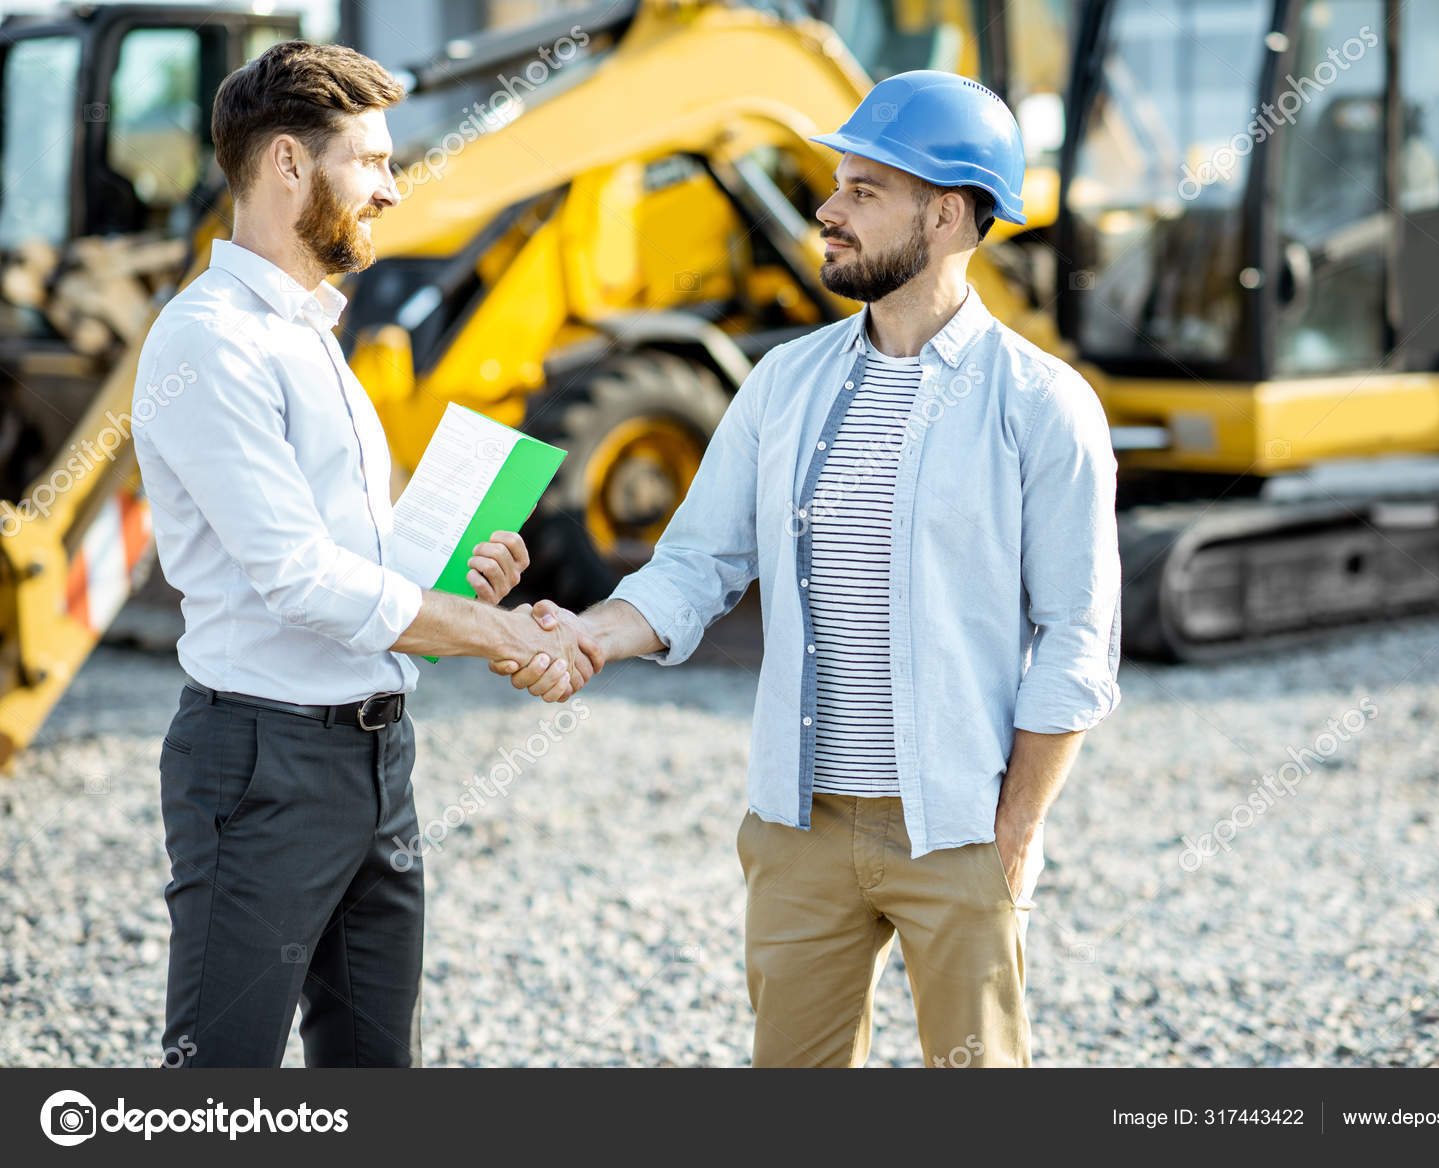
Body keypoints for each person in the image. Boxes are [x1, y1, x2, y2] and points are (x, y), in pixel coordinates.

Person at [503, 71, 1121, 1067]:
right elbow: (696, 564)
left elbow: (1076, 639)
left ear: (951, 214)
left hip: (958, 828)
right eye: (837, 185)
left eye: (864, 191)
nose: (827, 212)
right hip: (797, 826)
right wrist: (588, 633)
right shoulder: (783, 383)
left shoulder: (1041, 405)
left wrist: (1014, 832)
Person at [131, 41, 595, 1068]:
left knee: (376, 1071)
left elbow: (356, 550)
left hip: (377, 758)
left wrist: (460, 578)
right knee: (222, 1080)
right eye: (373, 163)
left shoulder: (310, 335)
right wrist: (493, 635)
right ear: (289, 165)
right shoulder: (212, 341)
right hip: (263, 765)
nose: (393, 189)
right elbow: (297, 574)